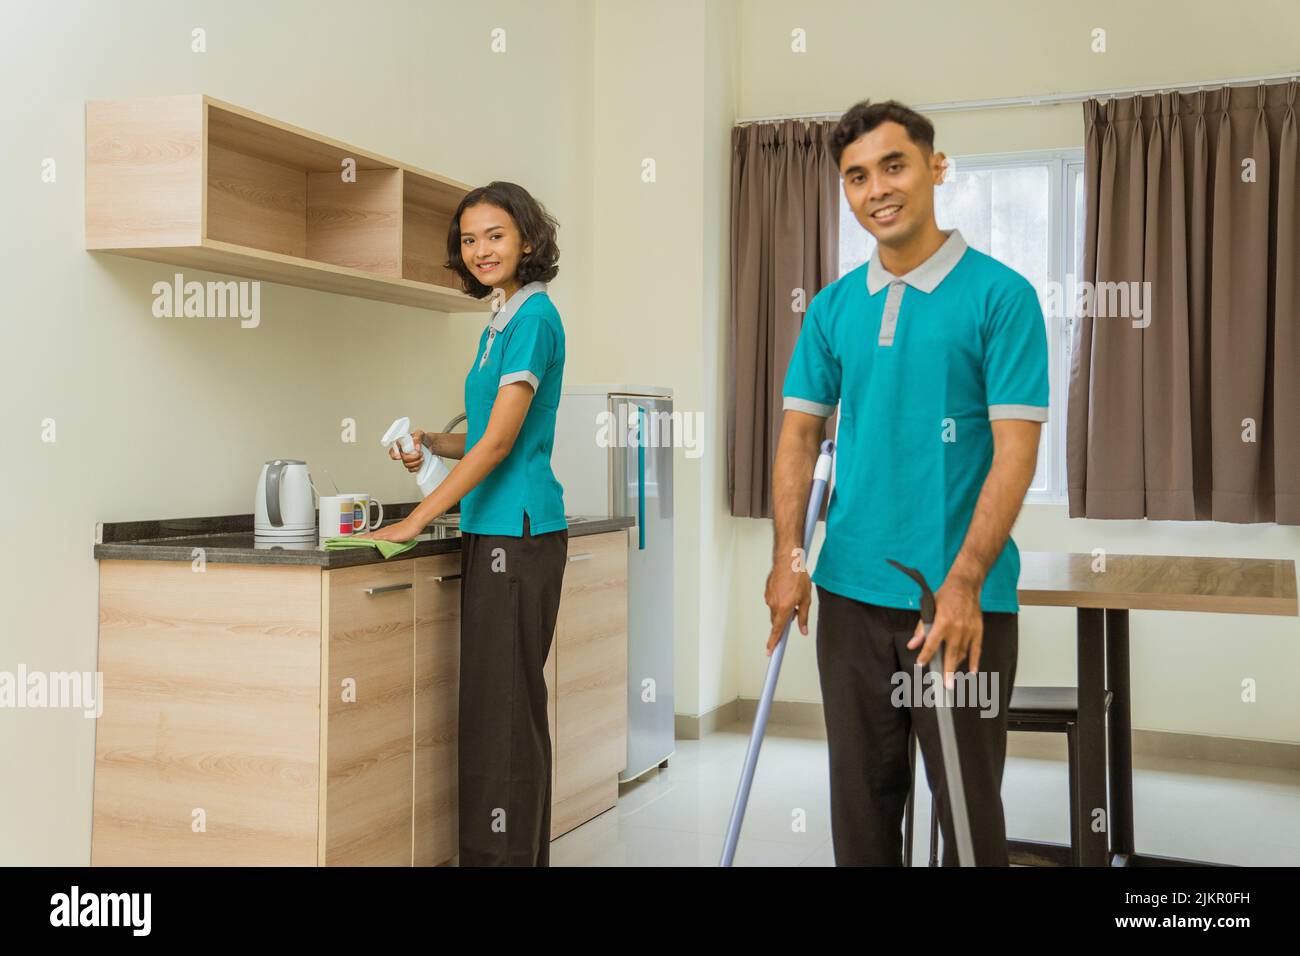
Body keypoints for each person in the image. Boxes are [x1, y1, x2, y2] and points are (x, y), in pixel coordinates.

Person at [767, 100, 1048, 865]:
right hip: (851, 598)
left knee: (965, 812)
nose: (876, 189)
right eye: (856, 176)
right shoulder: (831, 309)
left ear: (935, 167)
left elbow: (1015, 452)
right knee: (860, 813)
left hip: (956, 607)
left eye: (893, 165)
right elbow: (798, 435)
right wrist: (790, 557)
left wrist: (964, 582)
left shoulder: (1002, 297)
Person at [362, 181, 568, 866]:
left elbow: (501, 444)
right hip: (495, 529)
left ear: (528, 241)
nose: (479, 250)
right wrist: (427, 438)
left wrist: (417, 518)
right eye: (469, 239)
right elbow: (480, 432)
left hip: (520, 532)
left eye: (495, 236)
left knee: (504, 719)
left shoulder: (534, 319)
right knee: (495, 715)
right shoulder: (501, 323)